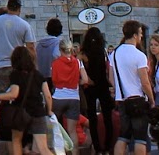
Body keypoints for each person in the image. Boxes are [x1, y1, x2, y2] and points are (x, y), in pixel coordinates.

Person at [0, 45, 53, 155]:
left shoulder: (15, 74)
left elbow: (14, 94)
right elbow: (48, 96)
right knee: (43, 148)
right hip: (38, 113)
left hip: (22, 113)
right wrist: (49, 110)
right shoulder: (38, 74)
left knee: (17, 141)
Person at [110, 20, 152, 155]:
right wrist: (151, 99)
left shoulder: (114, 53)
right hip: (137, 99)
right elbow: (145, 82)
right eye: (140, 34)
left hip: (122, 99)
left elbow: (111, 78)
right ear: (134, 35)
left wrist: (118, 90)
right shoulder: (139, 55)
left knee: (123, 136)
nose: (141, 37)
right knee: (140, 139)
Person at [0, 0, 37, 93]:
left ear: (7, 7)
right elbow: (30, 47)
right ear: (19, 9)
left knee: (0, 96)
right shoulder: (25, 25)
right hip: (18, 66)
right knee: (18, 95)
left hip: (0, 65)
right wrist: (33, 64)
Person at [81, 26, 114, 155]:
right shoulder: (103, 52)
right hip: (103, 86)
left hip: (90, 87)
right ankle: (107, 147)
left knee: (92, 118)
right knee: (107, 117)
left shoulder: (84, 53)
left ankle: (97, 147)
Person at [52, 39, 88, 149]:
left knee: (54, 128)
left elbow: (54, 80)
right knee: (72, 131)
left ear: (60, 50)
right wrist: (78, 82)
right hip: (74, 98)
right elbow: (85, 80)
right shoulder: (78, 62)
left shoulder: (55, 63)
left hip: (58, 97)